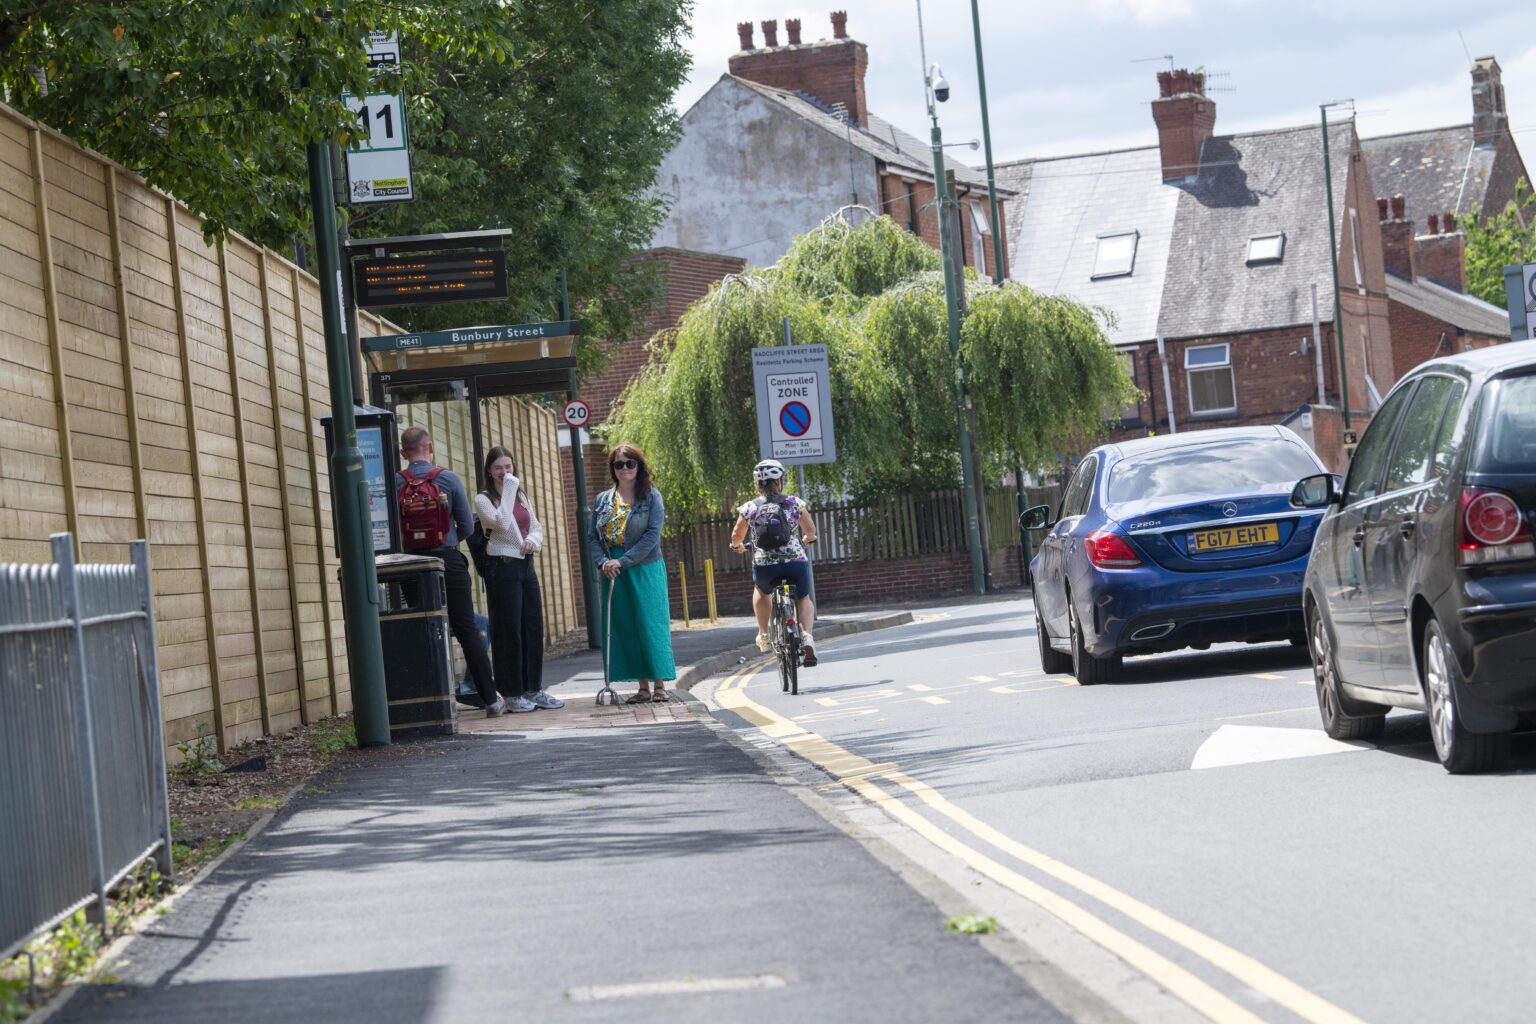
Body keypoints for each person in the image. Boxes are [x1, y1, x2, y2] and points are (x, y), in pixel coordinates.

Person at [395, 426, 504, 715]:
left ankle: (429, 699)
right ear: (430, 447)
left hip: (411, 566)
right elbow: (468, 527)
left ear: (403, 452)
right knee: (466, 628)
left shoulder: (396, 482)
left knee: (423, 627)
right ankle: (490, 698)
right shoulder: (447, 478)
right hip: (448, 562)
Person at [475, 446, 563, 713]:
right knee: (509, 630)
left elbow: (536, 526)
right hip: (501, 568)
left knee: (533, 627)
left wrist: (531, 541)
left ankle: (532, 689)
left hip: (525, 565)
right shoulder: (483, 499)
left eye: (509, 467)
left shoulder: (522, 495)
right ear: (489, 470)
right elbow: (501, 524)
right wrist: (509, 488)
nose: (505, 472)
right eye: (499, 468)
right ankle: (511, 692)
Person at [588, 444, 676, 703]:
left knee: (650, 624)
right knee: (626, 626)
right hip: (613, 571)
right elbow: (593, 536)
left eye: (630, 463)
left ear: (639, 466)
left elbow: (651, 536)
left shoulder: (651, 497)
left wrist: (623, 561)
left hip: (644, 567)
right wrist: (604, 562)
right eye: (619, 464)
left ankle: (659, 685)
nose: (624, 468)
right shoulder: (603, 500)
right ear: (613, 469)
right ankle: (642, 687)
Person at [729, 459, 819, 667]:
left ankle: (763, 634)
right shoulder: (794, 503)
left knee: (762, 590)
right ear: (779, 481)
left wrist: (737, 546)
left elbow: (736, 535)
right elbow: (810, 530)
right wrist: (807, 540)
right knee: (803, 597)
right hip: (794, 562)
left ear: (757, 483)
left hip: (765, 565)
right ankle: (806, 636)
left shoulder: (750, 507)